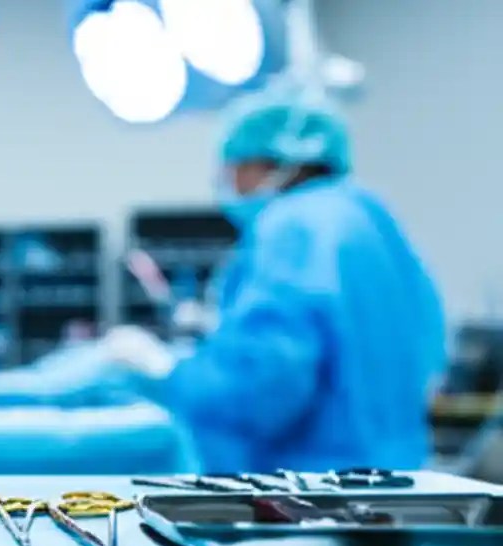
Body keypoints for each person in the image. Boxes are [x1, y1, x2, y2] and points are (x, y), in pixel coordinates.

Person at [100, 88, 446, 473]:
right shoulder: (368, 214)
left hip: (313, 491)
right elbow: (422, 342)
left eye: (234, 166)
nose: (227, 181)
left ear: (270, 164)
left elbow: (262, 387)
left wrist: (167, 371)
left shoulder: (292, 226)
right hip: (395, 477)